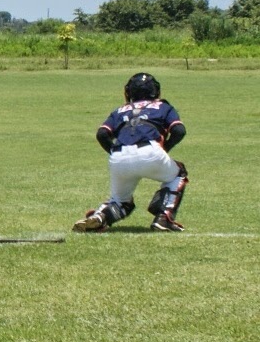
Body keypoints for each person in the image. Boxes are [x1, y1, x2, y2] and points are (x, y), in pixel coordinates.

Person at [73, 72, 189, 233]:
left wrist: (116, 153)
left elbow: (102, 134)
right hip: (151, 151)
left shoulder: (120, 110)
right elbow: (179, 130)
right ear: (156, 91)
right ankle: (164, 217)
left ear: (129, 92)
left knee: (121, 201)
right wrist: (164, 149)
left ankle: (100, 216)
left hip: (119, 156)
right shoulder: (163, 106)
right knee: (179, 173)